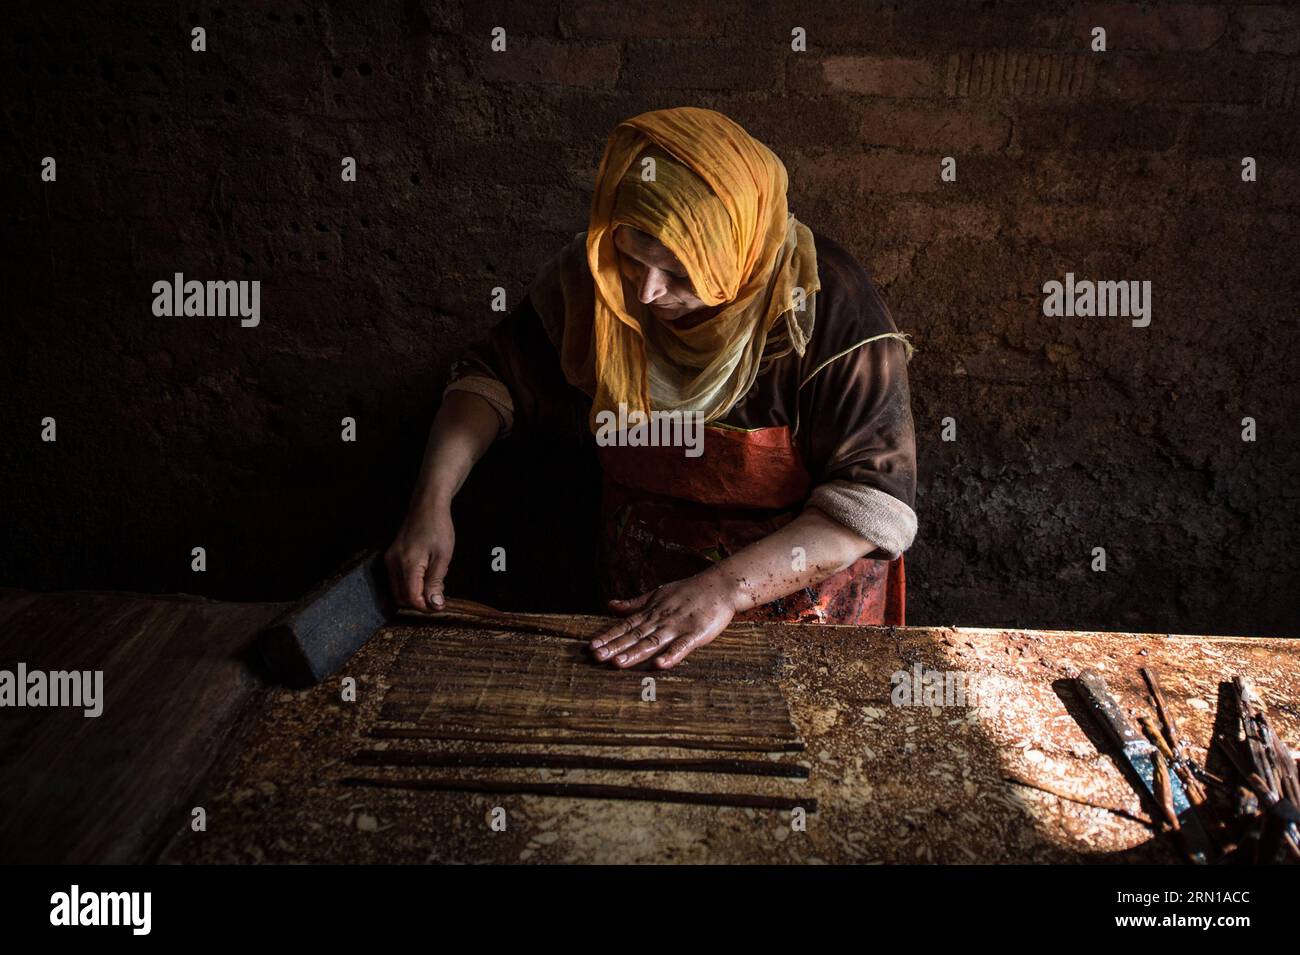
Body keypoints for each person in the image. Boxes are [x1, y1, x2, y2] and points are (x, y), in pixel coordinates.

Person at [386, 106, 917, 670]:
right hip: (641, 597)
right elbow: (492, 379)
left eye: (681, 275)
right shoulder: (598, 282)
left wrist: (726, 590)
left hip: (799, 604)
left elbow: (872, 505)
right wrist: (431, 503)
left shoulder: (830, 309)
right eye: (632, 258)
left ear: (739, 255)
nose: (645, 293)